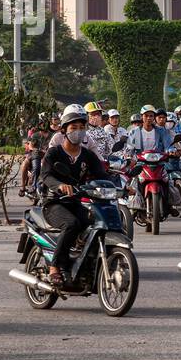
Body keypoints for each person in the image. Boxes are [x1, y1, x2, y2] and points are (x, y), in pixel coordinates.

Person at [38, 105, 107, 289]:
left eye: (81, 127)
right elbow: (46, 175)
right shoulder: (55, 153)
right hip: (54, 203)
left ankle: (83, 262)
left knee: (97, 222)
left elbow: (102, 175)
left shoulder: (88, 155)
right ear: (64, 130)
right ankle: (54, 267)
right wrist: (59, 185)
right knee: (72, 224)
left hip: (76, 202)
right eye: (73, 128)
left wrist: (122, 187)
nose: (78, 132)